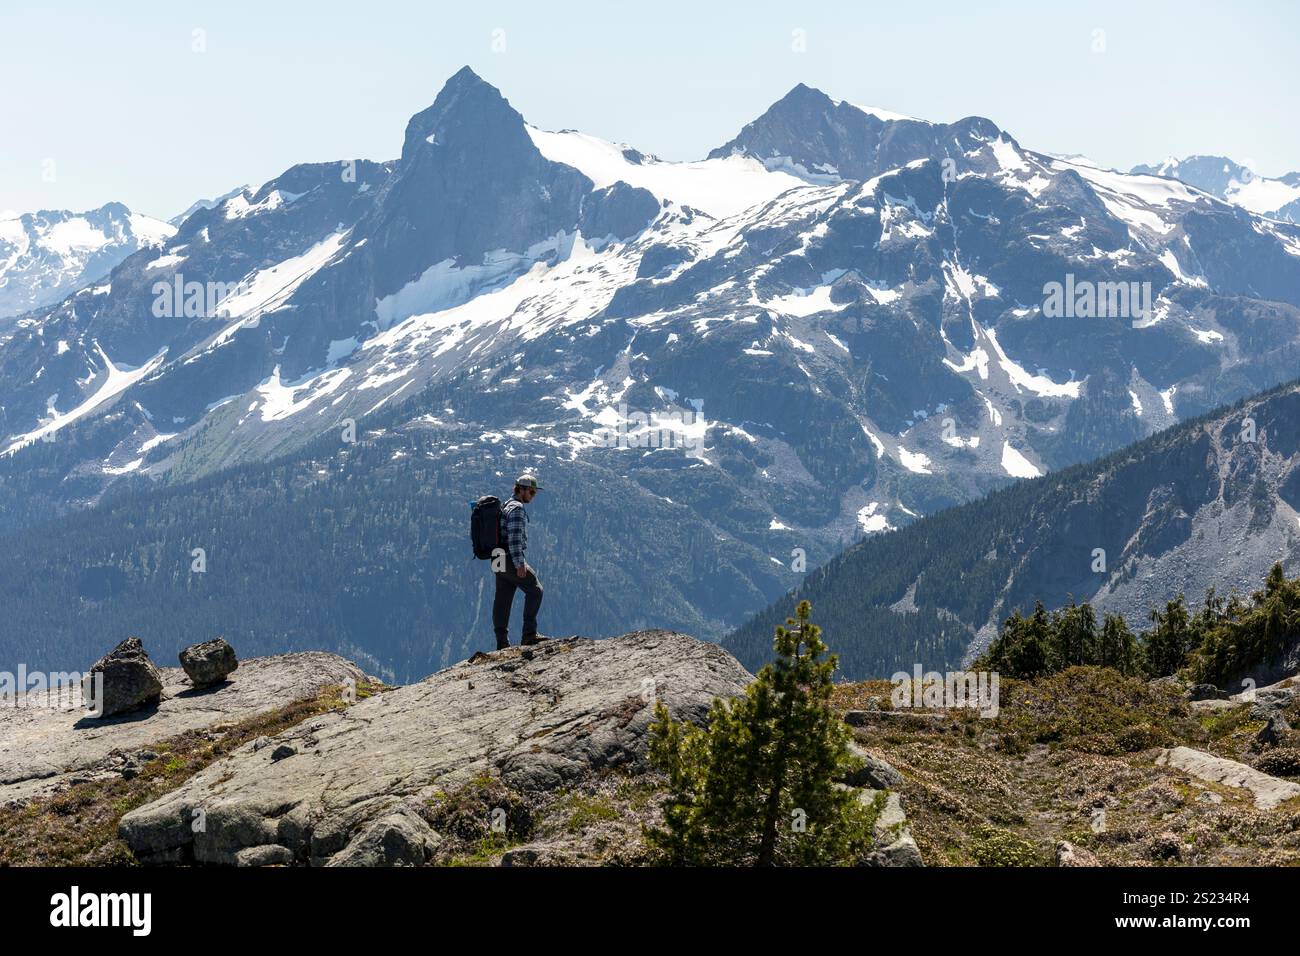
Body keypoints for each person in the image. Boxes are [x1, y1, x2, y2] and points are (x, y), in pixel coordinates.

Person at [492, 474, 546, 649]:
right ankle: (529, 635)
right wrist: (519, 564)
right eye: (531, 492)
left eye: (534, 493)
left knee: (503, 598)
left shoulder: (505, 505)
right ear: (521, 490)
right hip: (509, 557)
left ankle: (501, 642)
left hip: (497, 557)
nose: (533, 495)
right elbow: (514, 539)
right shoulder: (517, 509)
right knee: (536, 590)